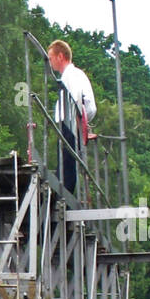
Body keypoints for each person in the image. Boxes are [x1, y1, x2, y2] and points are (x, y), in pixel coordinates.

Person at [47, 40, 96, 196]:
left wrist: (78, 123)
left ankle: (61, 199)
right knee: (65, 166)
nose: (49, 62)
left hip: (70, 125)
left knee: (67, 167)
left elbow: (76, 100)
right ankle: (59, 197)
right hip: (70, 125)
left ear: (60, 56)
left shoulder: (71, 75)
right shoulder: (72, 75)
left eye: (50, 58)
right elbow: (89, 107)